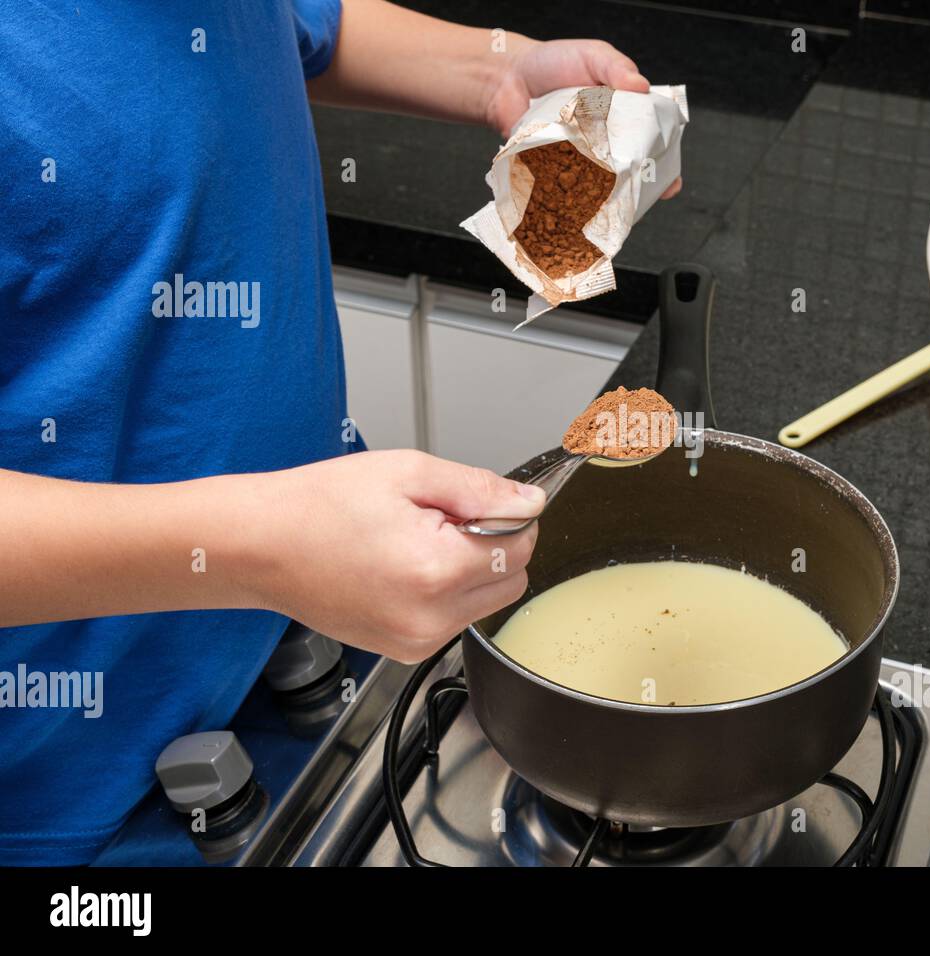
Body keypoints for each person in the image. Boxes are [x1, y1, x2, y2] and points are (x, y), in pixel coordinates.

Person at [0, 0, 675, 864]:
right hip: (79, 795)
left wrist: (499, 69)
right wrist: (258, 548)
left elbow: (292, 23)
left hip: (309, 663)